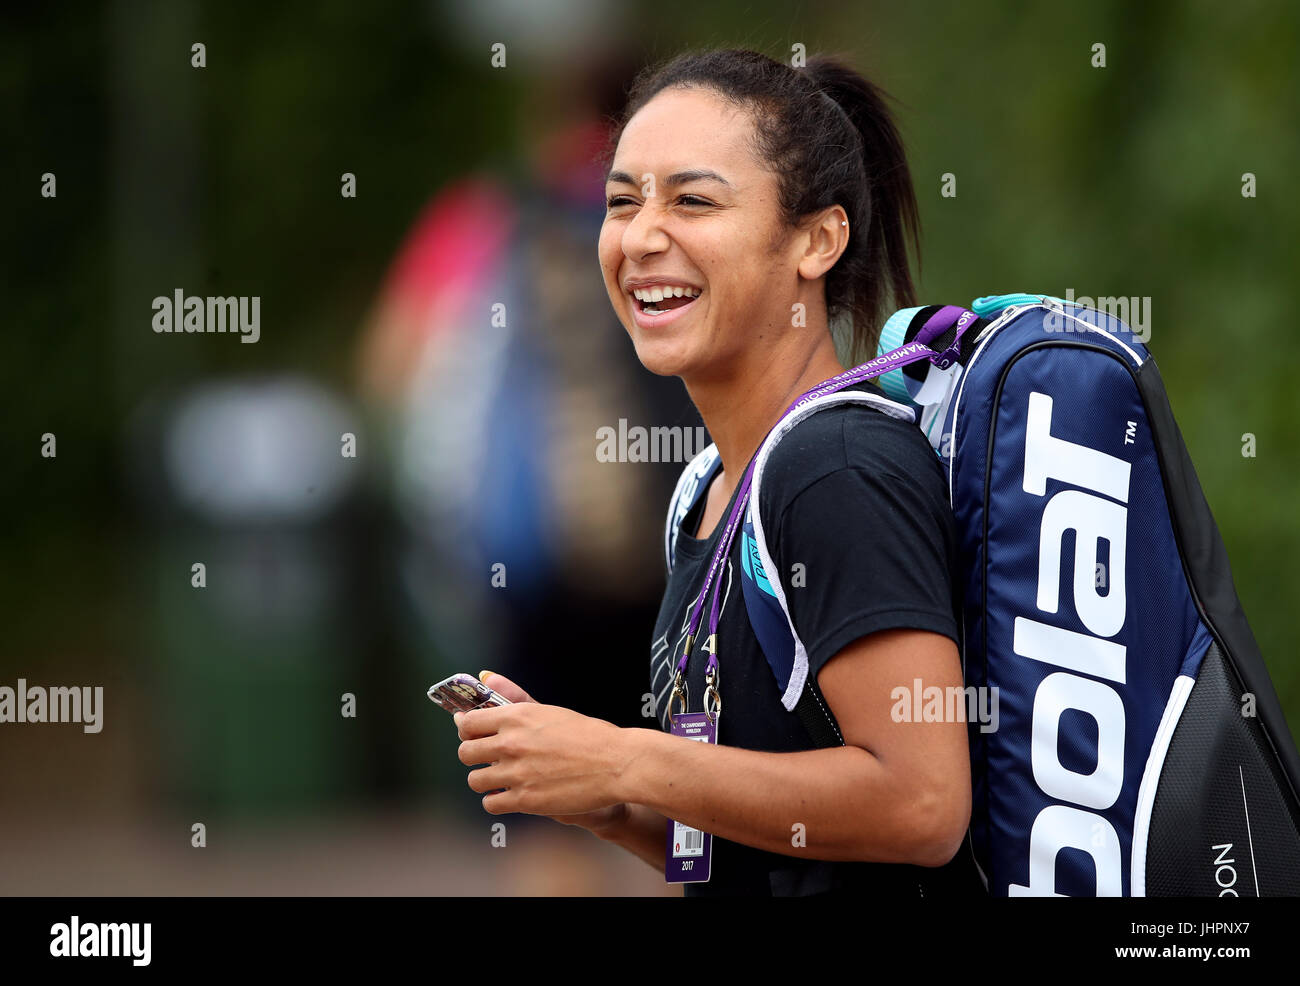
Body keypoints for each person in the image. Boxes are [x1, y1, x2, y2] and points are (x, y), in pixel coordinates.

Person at [452, 48, 984, 897]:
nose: (641, 236)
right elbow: (745, 845)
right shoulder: (709, 491)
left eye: (693, 200)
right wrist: (596, 793)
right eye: (622, 200)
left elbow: (921, 804)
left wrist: (624, 758)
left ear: (817, 239)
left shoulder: (835, 470)